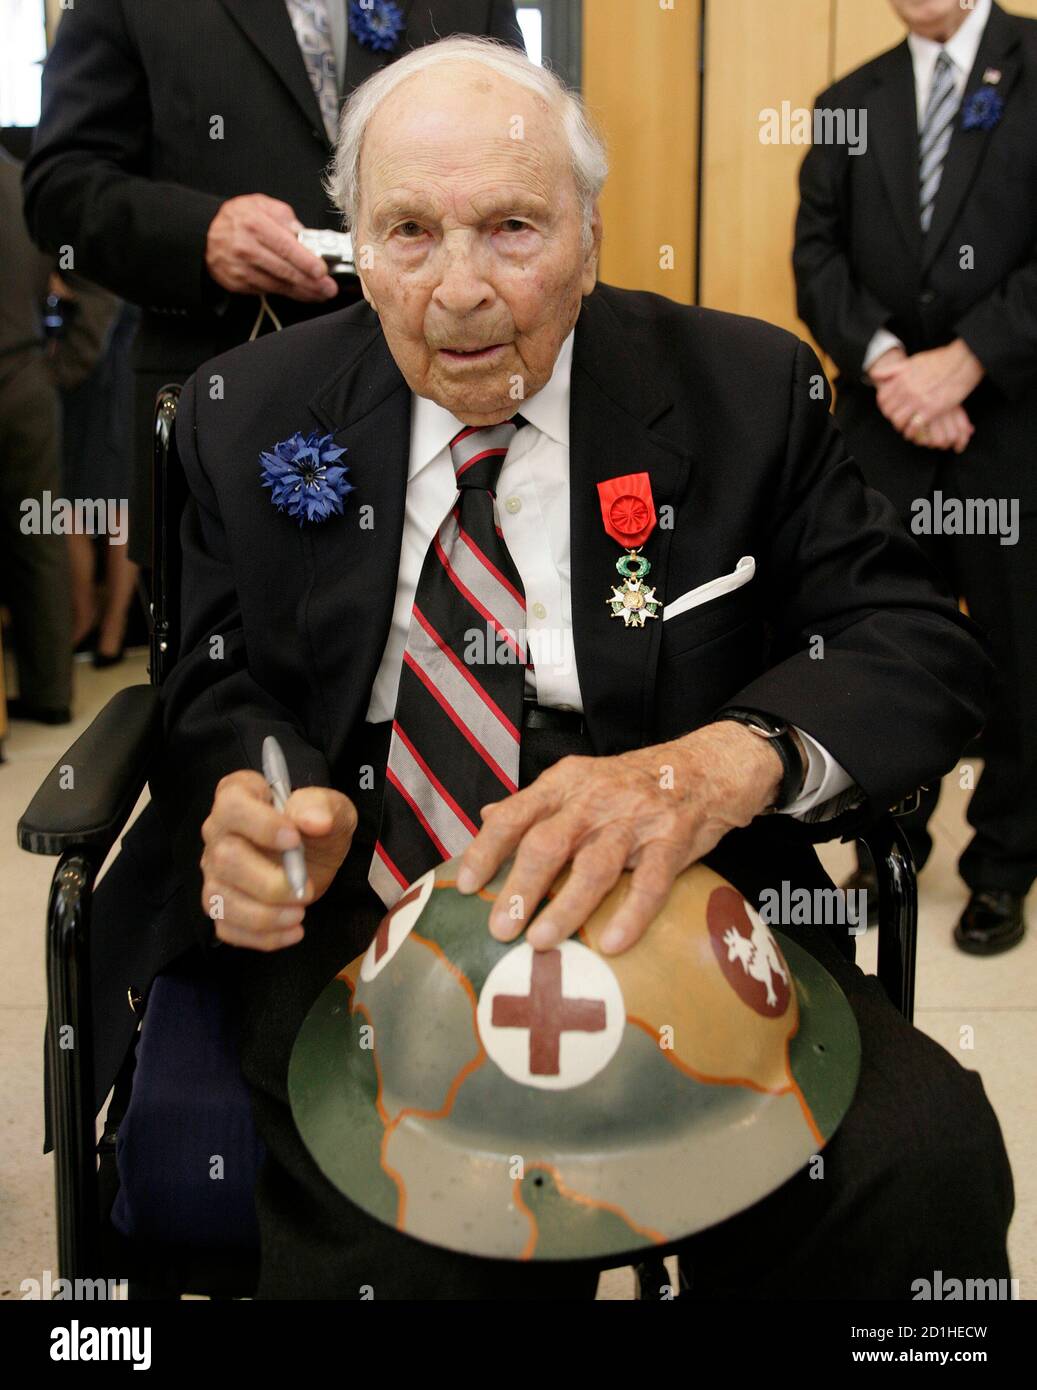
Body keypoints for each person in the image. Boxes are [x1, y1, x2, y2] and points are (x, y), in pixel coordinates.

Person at [94, 36, 1013, 1299]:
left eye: (513, 228)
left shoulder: (747, 390)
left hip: (684, 877)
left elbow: (912, 644)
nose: (457, 292)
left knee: (916, 1169)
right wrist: (253, 797)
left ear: (588, 233)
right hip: (361, 887)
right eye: (407, 232)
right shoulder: (237, 411)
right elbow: (209, 680)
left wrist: (715, 765)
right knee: (399, 1247)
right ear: (353, 240)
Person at [21, 0, 525, 568]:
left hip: (445, 407)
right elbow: (59, 189)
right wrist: (201, 235)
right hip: (227, 404)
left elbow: (525, 151)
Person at [794, 0, 1037, 955]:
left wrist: (970, 357)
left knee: (1019, 652)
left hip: (1011, 421)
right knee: (884, 644)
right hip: (885, 425)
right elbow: (814, 259)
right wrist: (894, 366)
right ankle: (883, 837)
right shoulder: (847, 100)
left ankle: (1004, 867)